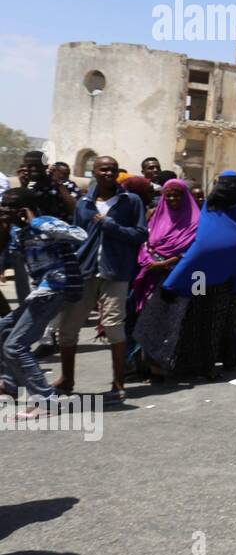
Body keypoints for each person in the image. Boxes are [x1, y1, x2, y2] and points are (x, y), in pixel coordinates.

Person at [55, 156, 147, 403]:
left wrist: (110, 225)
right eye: (103, 168)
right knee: (67, 329)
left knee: (114, 325)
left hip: (115, 271)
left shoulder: (131, 201)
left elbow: (140, 234)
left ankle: (118, 385)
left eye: (113, 169)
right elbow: (77, 233)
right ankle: (67, 380)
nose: (108, 172)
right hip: (84, 271)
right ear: (93, 172)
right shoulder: (85, 201)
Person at [157, 172, 236, 378]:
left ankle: (203, 362)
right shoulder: (233, 207)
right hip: (224, 276)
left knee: (201, 316)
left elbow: (201, 248)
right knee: (215, 319)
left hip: (202, 274)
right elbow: (205, 245)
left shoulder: (212, 209)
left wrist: (172, 283)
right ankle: (210, 364)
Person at [0, 188, 85, 410]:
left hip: (57, 287)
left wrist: (35, 222)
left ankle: (46, 400)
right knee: (3, 329)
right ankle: (10, 384)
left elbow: (80, 235)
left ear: (25, 207)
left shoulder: (46, 222)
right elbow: (11, 256)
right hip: (41, 291)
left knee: (16, 345)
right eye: (4, 204)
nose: (6, 209)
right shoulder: (18, 232)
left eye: (11, 205)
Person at [131, 178, 199, 315]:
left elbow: (196, 250)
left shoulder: (197, 221)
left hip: (180, 276)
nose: (172, 198)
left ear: (185, 196)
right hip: (151, 272)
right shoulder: (155, 215)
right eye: (168, 195)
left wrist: (165, 263)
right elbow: (145, 240)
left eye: (177, 194)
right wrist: (148, 260)